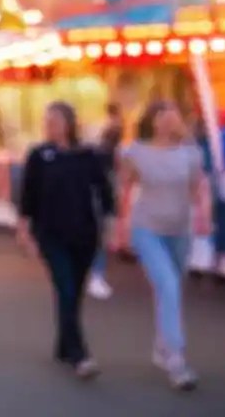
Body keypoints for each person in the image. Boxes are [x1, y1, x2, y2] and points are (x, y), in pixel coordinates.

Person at [115, 101, 212, 391]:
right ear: (152, 121)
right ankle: (177, 359)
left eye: (174, 116)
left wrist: (203, 215)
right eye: (163, 116)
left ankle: (162, 345)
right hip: (147, 229)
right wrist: (120, 226)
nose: (170, 121)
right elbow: (125, 188)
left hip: (180, 229)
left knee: (170, 288)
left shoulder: (191, 153)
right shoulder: (136, 152)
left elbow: (197, 187)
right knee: (168, 285)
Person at [17, 102, 115, 381]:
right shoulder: (39, 155)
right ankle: (80, 354)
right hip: (50, 235)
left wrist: (110, 223)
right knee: (66, 288)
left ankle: (63, 344)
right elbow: (28, 195)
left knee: (74, 293)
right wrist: (24, 229)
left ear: (69, 123)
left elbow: (104, 192)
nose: (50, 126)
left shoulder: (88, 155)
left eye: (55, 121)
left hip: (85, 234)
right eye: (46, 121)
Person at [87, 103, 124, 300]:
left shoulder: (99, 153)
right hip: (100, 202)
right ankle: (96, 275)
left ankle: (94, 274)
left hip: (98, 201)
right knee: (100, 238)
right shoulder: (108, 156)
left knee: (98, 238)